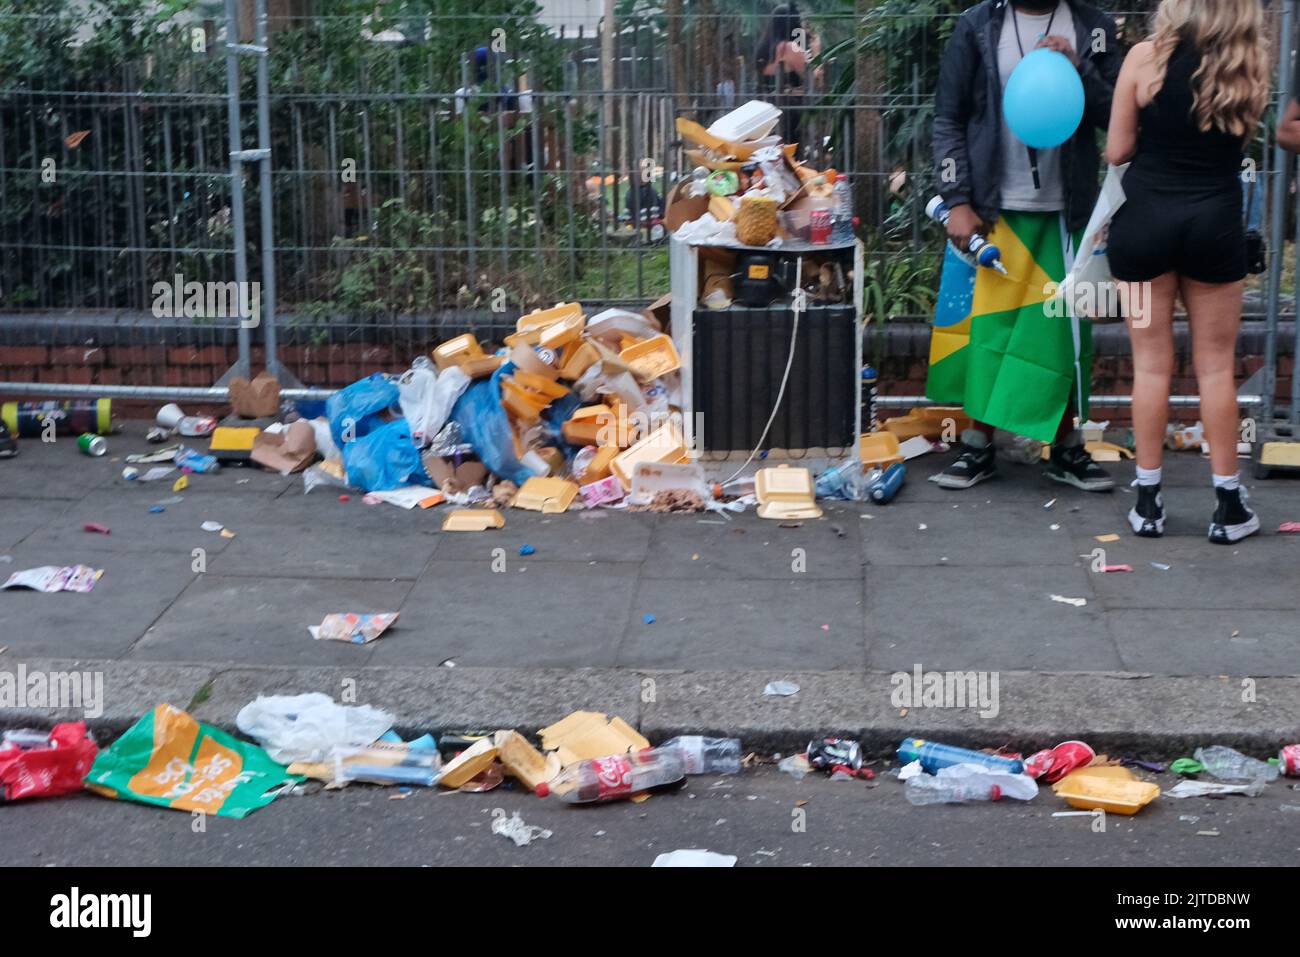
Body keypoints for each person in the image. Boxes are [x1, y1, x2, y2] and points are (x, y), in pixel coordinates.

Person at [927, 0, 1121, 492]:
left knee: (1060, 335)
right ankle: (977, 446)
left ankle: (1066, 447)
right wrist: (956, 201)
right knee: (990, 330)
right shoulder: (976, 25)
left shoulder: (1093, 27)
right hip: (994, 209)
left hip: (1066, 207)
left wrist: (1079, 69)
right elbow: (948, 117)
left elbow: (1116, 113)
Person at [1106, 0, 1269, 543]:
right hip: (1215, 225)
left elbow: (1117, 151)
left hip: (1142, 222)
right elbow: (1234, 143)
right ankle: (1228, 505)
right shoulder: (1247, 66)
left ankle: (1148, 502)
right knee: (1216, 368)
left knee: (1149, 365)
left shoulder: (1143, 59)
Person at [755, 3, 822, 146]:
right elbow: (815, 78)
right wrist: (816, 51)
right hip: (790, 112)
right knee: (791, 155)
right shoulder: (790, 48)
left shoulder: (763, 49)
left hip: (766, 111)